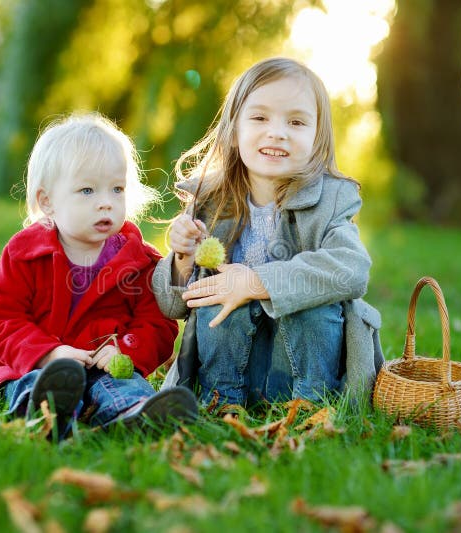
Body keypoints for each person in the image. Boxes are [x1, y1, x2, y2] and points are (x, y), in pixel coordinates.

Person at [152, 57, 384, 408]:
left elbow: (352, 268)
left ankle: (311, 403)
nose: (277, 132)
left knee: (311, 299)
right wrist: (183, 259)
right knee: (217, 295)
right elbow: (172, 307)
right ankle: (221, 401)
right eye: (260, 118)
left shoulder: (331, 200)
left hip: (300, 368)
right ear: (234, 130)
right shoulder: (209, 201)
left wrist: (256, 283)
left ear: (317, 137)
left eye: (296, 121)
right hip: (230, 368)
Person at [0, 112, 197, 439]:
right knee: (31, 384)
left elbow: (158, 324)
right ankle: (44, 409)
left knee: (123, 386)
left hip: (104, 364)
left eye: (116, 189)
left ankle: (136, 415)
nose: (105, 203)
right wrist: (48, 353)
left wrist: (126, 349)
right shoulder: (25, 253)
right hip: (34, 365)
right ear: (47, 201)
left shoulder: (138, 261)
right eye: (87, 191)